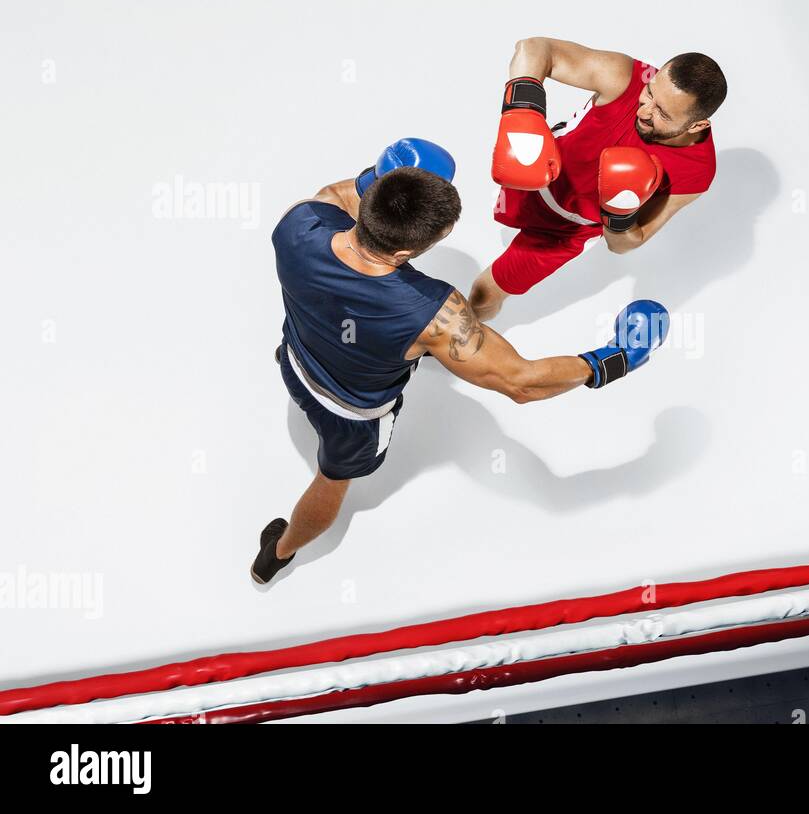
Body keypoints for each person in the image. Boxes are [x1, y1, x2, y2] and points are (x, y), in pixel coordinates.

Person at [256, 138, 669, 585]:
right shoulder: (432, 315)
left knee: (308, 340)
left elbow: (339, 196)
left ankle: (273, 555)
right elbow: (521, 382)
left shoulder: (300, 223)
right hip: (350, 417)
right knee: (332, 481)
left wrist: (389, 181)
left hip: (294, 356)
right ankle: (278, 553)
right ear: (405, 254)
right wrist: (615, 358)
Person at [472, 39, 727, 320]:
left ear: (697, 125)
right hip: (538, 171)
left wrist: (620, 213)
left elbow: (623, 245)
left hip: (566, 231)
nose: (644, 110)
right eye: (650, 93)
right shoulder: (626, 77)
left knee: (483, 295)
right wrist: (523, 112)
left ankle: (446, 348)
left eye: (663, 114)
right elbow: (533, 48)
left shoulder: (697, 171)